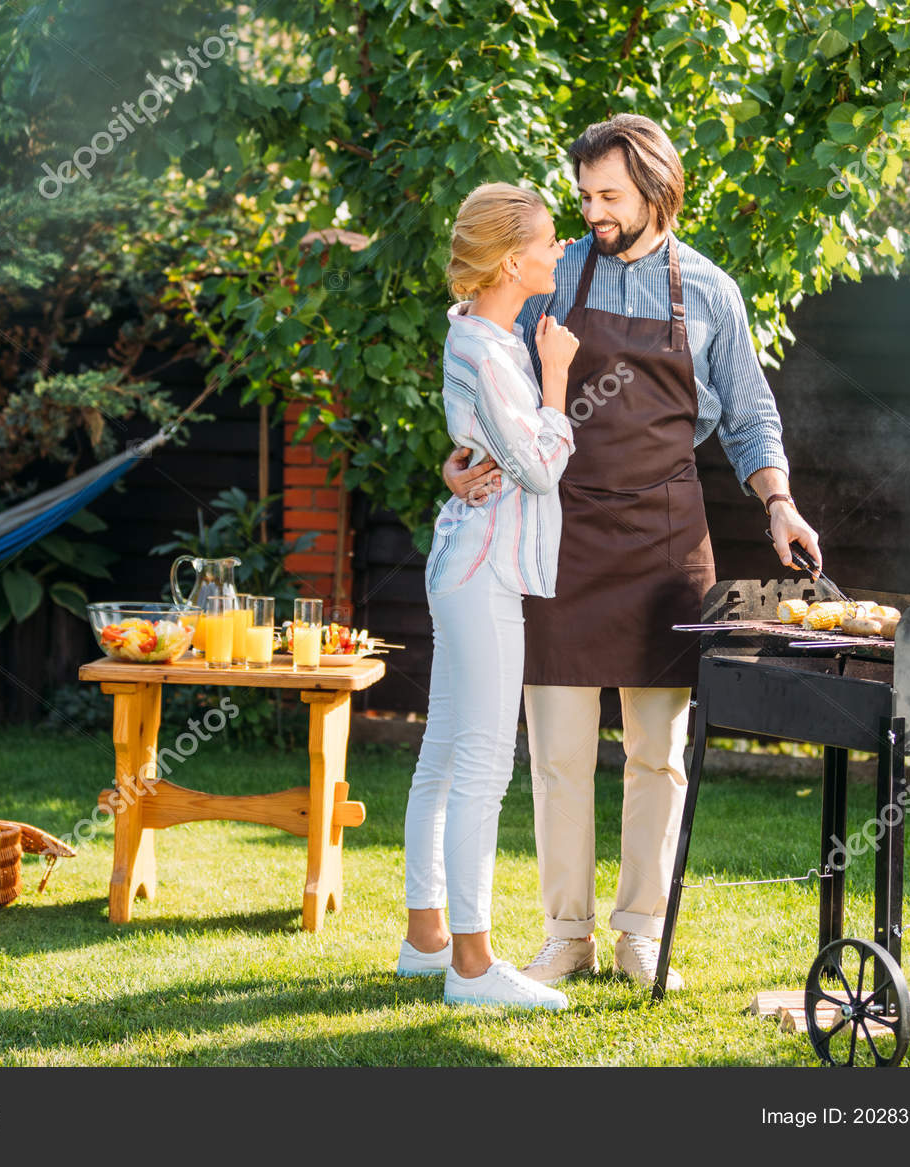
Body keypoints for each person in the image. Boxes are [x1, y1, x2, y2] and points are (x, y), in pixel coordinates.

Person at [443, 115, 822, 991]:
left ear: (657, 190)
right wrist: (459, 454)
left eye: (609, 196)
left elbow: (752, 411)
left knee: (660, 750)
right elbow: (485, 364)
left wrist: (779, 503)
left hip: (663, 539)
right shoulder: (557, 271)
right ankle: (565, 932)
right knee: (560, 752)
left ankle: (640, 931)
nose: (594, 213)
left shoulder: (712, 293)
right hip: (560, 532)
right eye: (585, 196)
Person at [398, 182, 581, 1009]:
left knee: (444, 753)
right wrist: (557, 379)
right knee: (481, 762)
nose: (560, 248)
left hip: (466, 567)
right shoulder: (489, 348)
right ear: (514, 259)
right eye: (548, 240)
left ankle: (426, 938)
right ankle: (472, 968)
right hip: (483, 576)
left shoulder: (480, 336)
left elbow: (493, 451)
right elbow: (539, 467)